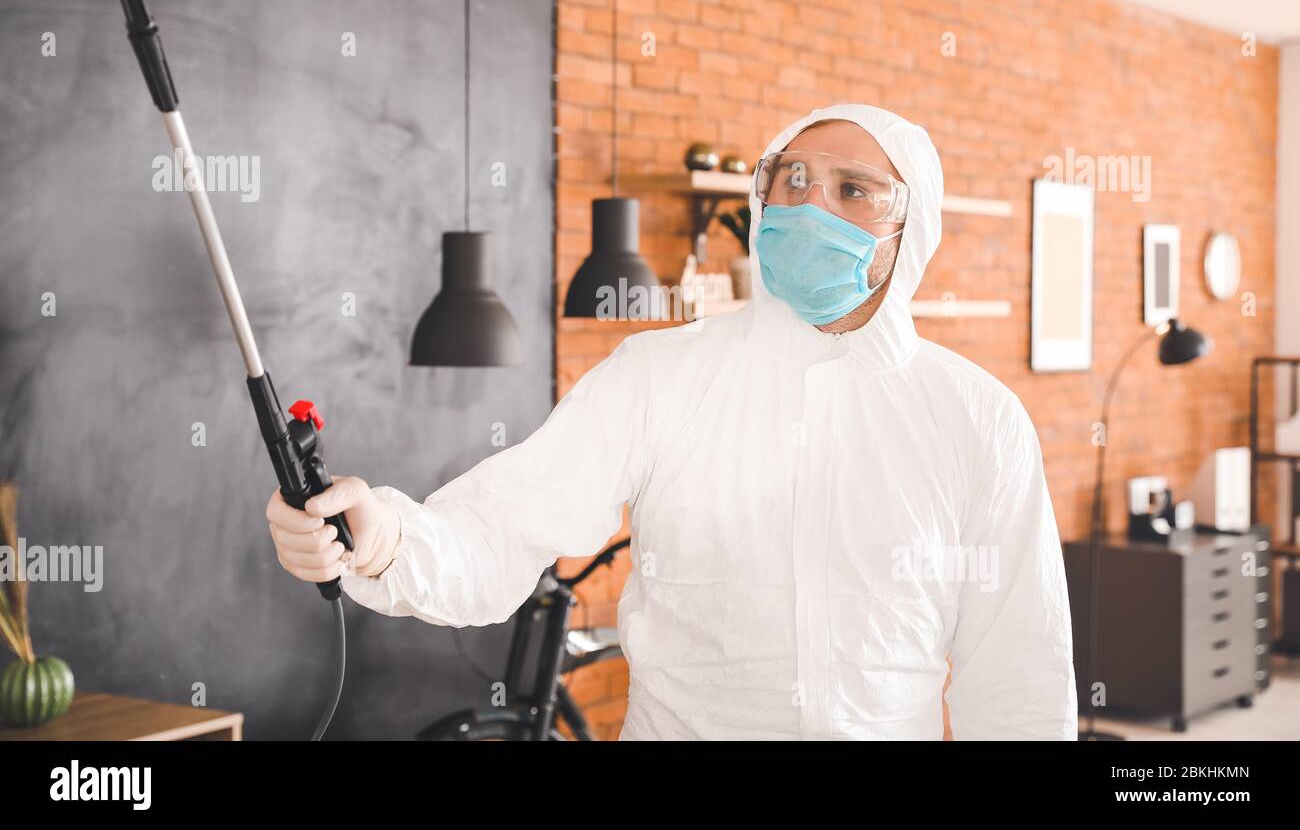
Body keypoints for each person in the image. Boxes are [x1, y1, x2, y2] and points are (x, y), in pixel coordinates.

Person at [266, 103, 1078, 740]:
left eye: (852, 190)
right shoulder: (662, 376)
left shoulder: (978, 421)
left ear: (913, 229)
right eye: (791, 178)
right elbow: (503, 527)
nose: (808, 203)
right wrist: (387, 539)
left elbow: (1016, 673)